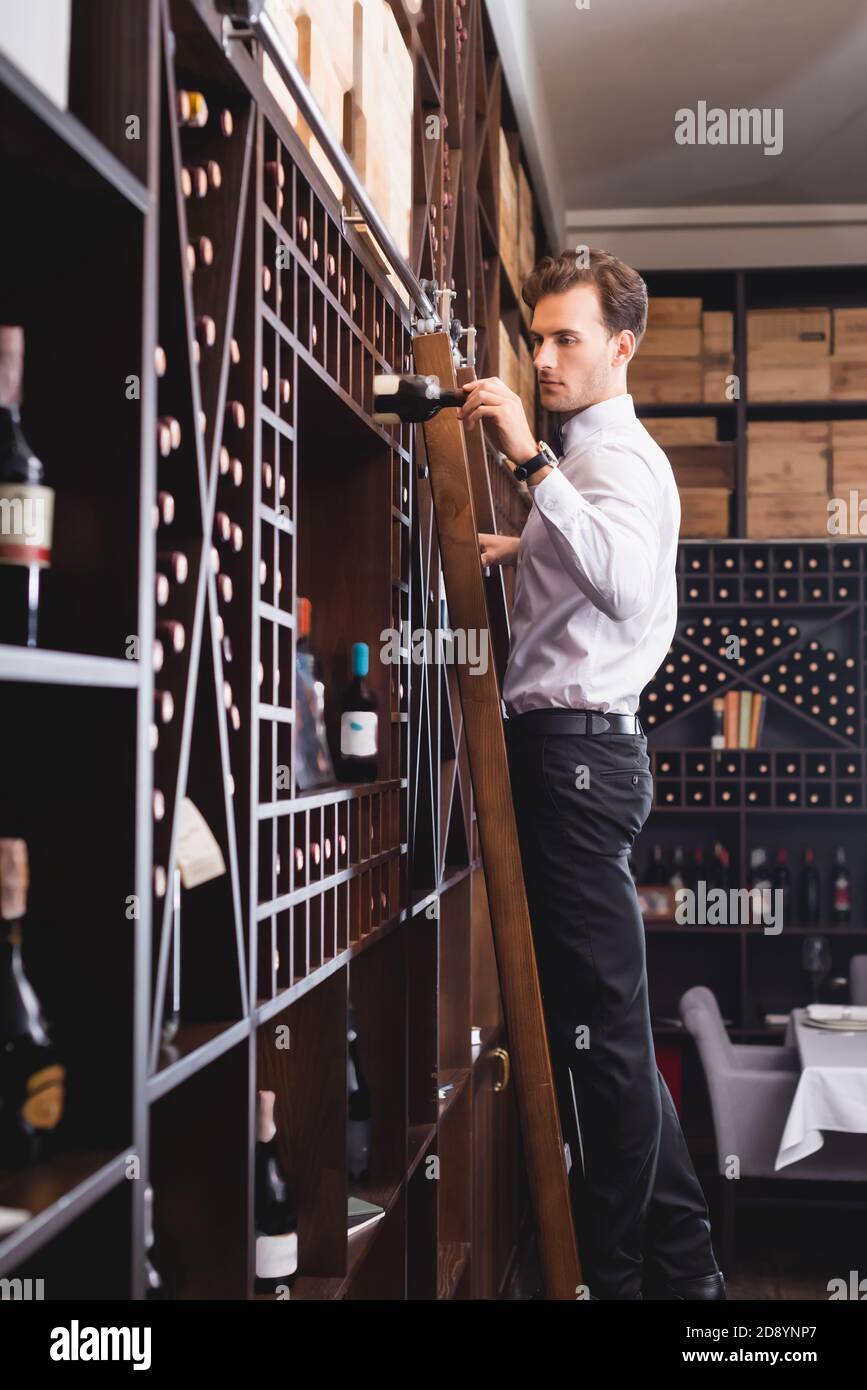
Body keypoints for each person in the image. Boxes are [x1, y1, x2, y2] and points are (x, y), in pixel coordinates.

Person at [460, 247, 726, 1302]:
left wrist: (529, 466)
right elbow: (606, 568)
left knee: (608, 1051)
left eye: (567, 338)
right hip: (572, 759)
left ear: (622, 346)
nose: (545, 358)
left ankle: (618, 1282)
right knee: (607, 1032)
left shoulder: (608, 459)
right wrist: (522, 546)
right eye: (536, 339)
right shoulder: (596, 463)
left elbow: (622, 584)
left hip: (575, 763)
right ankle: (689, 1268)